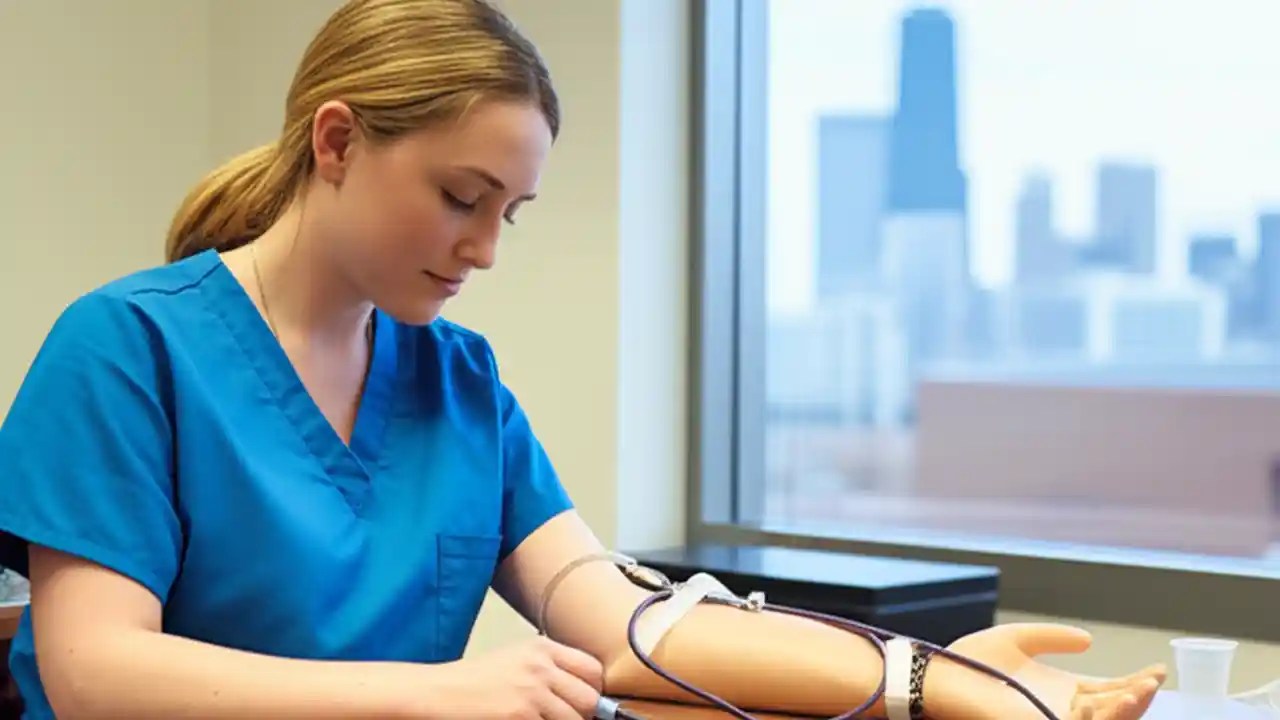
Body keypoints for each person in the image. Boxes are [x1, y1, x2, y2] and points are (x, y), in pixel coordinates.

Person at [0, 1, 1167, 718]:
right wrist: (436, 697)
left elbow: (627, 626)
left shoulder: (455, 382)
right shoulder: (128, 350)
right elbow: (101, 674)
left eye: (510, 213)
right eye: (461, 198)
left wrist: (950, 682)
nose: (483, 250)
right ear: (339, 141)